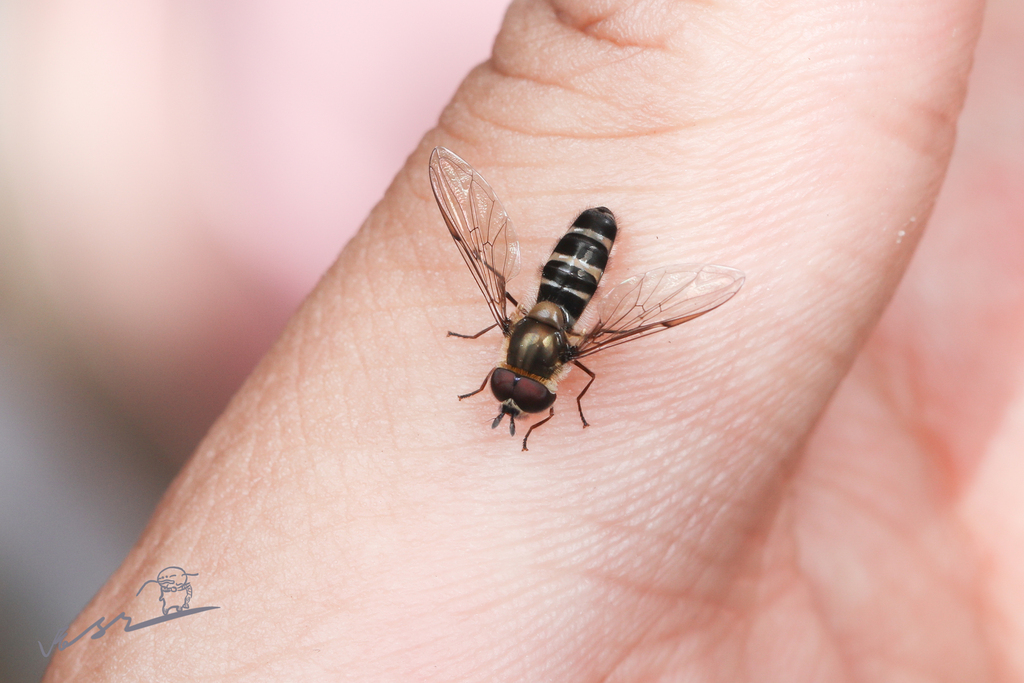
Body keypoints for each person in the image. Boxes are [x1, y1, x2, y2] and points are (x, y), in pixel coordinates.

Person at [44, 0, 1024, 679]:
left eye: (513, 390)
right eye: (525, 392)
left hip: (557, 249)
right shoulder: (540, 348)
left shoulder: (528, 335)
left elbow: (599, 305)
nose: (516, 392)